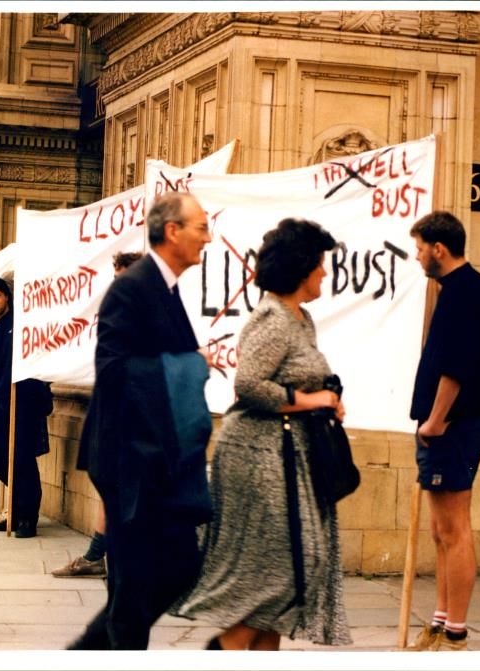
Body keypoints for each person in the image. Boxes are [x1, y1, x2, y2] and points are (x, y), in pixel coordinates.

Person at [171, 218, 351, 650]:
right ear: (301, 267)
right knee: (280, 571)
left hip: (289, 457)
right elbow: (248, 385)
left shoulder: (300, 319)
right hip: (258, 459)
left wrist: (327, 396)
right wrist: (313, 401)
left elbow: (295, 378)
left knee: (282, 581)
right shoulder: (271, 318)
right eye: (320, 264)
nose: (325, 272)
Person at [68, 192, 215, 650]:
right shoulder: (133, 287)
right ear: (173, 231)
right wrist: (189, 364)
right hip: (130, 460)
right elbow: (114, 371)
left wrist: (185, 362)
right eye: (201, 228)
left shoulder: (164, 286)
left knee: (177, 570)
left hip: (157, 459)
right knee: (137, 585)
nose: (207, 238)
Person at [407, 211, 480, 652]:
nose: (418, 256)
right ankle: (441, 623)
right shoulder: (455, 291)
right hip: (445, 428)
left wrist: (437, 420)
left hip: (452, 428)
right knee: (441, 531)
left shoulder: (466, 292)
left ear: (439, 248)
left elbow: (457, 367)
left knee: (455, 529)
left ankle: (455, 633)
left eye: (420, 248)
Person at [52, 250, 143, 578]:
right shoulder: (121, 312)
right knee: (111, 488)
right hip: (113, 414)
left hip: (137, 420)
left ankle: (111, 558)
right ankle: (98, 555)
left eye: (125, 279)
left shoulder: (148, 314)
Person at [0, 274, 53, 539]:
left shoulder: (22, 326)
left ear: (7, 296)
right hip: (5, 403)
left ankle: (27, 517)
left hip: (27, 399)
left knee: (21, 457)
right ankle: (20, 504)